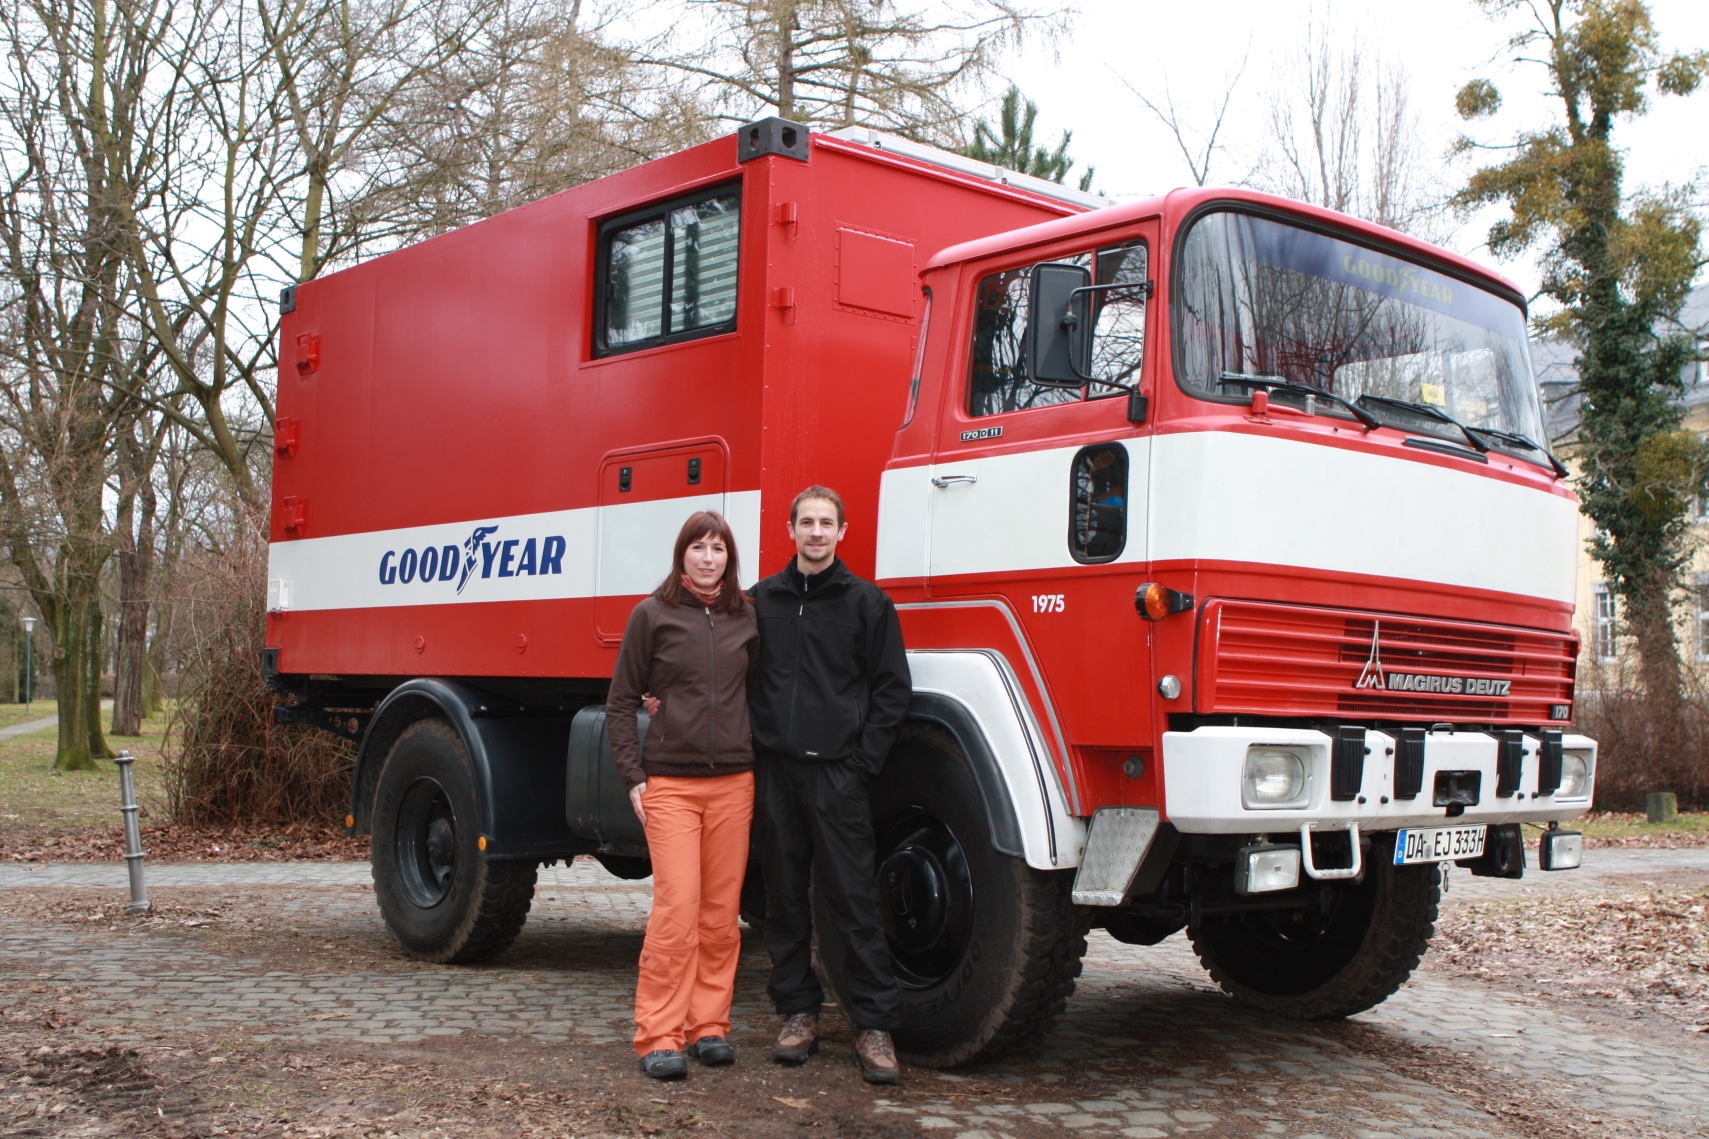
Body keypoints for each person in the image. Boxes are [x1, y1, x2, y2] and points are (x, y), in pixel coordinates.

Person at [748, 486, 912, 1085]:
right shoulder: (760, 600)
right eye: (807, 523)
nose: (816, 532)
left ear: (843, 533)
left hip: (837, 775)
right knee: (783, 900)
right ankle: (797, 1014)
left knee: (853, 901)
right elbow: (729, 673)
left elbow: (893, 690)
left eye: (827, 524)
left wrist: (862, 763)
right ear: (790, 529)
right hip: (775, 773)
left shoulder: (867, 604)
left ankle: (873, 1026)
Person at [607, 511, 760, 1081]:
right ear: (681, 555)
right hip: (670, 783)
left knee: (721, 916)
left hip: (734, 784)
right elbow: (622, 700)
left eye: (718, 548)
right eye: (698, 547)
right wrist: (633, 776)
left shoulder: (747, 616)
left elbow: (755, 691)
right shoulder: (652, 615)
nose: (707, 557)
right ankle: (659, 1035)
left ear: (729, 558)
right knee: (676, 912)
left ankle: (709, 1027)